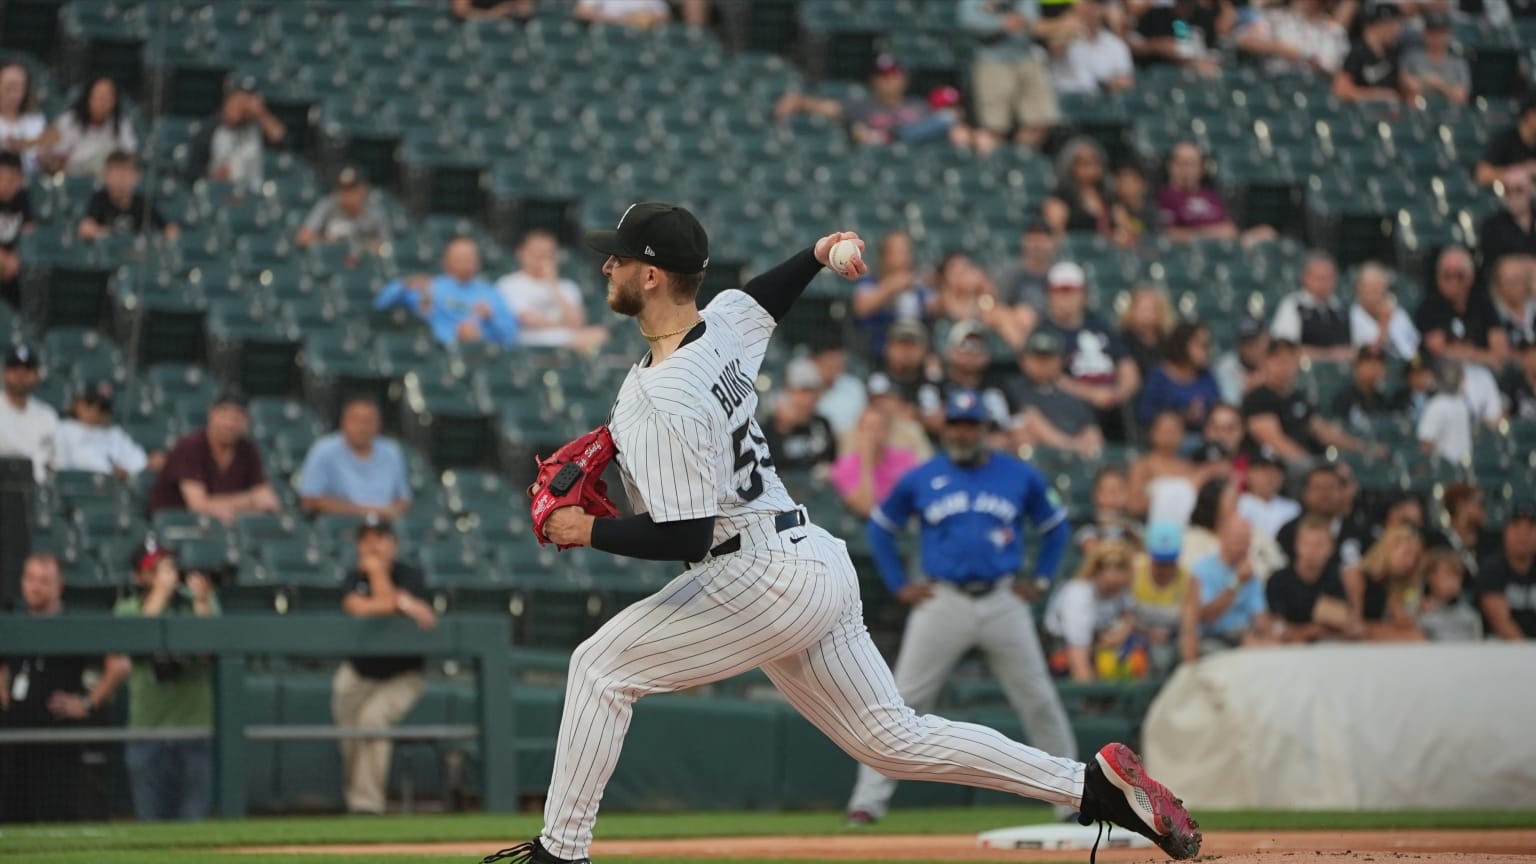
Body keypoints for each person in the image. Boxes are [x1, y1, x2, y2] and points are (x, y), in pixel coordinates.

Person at [492, 204, 1202, 864]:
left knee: (599, 669)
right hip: (810, 560)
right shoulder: (722, 326)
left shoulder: (663, 393)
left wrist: (587, 529)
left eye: (618, 258)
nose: (606, 266)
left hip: (752, 575)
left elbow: (688, 535)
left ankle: (561, 851)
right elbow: (766, 297)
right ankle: (1093, 787)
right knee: (890, 740)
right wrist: (818, 252)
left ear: (651, 276)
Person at [845, 388, 1079, 825]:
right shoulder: (922, 476)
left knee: (1040, 701)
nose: (962, 432)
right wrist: (898, 584)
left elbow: (1056, 527)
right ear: (946, 428)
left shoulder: (1018, 475)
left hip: (1002, 600)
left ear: (985, 429)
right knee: (900, 701)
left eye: (971, 424)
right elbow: (880, 528)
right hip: (943, 602)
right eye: (955, 424)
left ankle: (1072, 799)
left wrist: (1042, 578)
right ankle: (866, 803)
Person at [0, 554, 129, 823]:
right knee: (13, 821)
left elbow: (119, 666)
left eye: (44, 581)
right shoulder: (14, 624)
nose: (35, 587)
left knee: (54, 817)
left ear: (59, 586)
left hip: (57, 742)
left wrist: (87, 703)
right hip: (14, 740)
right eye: (30, 579)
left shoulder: (73, 625)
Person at [333, 516, 437, 815]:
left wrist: (379, 576)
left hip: (402, 675)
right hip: (358, 672)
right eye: (365, 540)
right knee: (349, 733)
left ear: (394, 544)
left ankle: (366, 807)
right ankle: (356, 798)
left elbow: (424, 614)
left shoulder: (411, 576)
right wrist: (400, 603)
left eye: (379, 539)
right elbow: (356, 607)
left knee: (372, 719)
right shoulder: (353, 576)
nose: (372, 546)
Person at [114, 539, 218, 820]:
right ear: (139, 576)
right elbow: (133, 644)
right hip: (147, 730)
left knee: (194, 822)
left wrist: (201, 601)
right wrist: (161, 593)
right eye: (154, 570)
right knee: (151, 824)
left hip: (194, 731)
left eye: (168, 566)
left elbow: (210, 650)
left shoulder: (200, 601)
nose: (165, 573)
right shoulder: (127, 608)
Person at [1036, 261, 1141, 441]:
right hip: (1071, 408)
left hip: (1115, 406)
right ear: (1049, 295)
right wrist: (1092, 394)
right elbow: (1047, 375)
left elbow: (1128, 368)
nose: (1066, 299)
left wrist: (1117, 393)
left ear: (1083, 294)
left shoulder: (1101, 326)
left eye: (1071, 292)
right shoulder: (1045, 331)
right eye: (1060, 292)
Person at [1241, 338, 1378, 468]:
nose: (1284, 365)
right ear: (1265, 362)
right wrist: (1312, 467)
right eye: (1277, 359)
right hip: (1274, 467)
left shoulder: (1298, 397)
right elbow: (1274, 441)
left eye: (1289, 359)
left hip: (1306, 464)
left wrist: (1363, 448)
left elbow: (1322, 431)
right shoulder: (1257, 398)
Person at [774, 56, 963, 149]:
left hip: (915, 157)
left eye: (892, 75)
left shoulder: (918, 105)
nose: (888, 81)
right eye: (882, 76)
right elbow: (829, 108)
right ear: (873, 80)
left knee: (947, 120)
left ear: (904, 79)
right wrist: (799, 101)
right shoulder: (862, 105)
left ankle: (893, 136)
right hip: (879, 157)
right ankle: (892, 137)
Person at [149, 391, 280, 522]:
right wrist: (249, 500)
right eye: (223, 415)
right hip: (178, 525)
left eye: (236, 418)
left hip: (221, 527)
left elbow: (268, 500)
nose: (229, 424)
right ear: (211, 414)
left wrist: (225, 507)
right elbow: (198, 506)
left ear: (246, 421)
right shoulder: (190, 447)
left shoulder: (247, 449)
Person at [957, 0, 1067, 151]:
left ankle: (1020, 158)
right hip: (991, 58)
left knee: (1040, 120)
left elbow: (1031, 18)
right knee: (994, 127)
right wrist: (1001, 23)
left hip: (1026, 56)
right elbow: (967, 19)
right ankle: (998, 163)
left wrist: (1023, 21)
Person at [374, 236, 519, 347]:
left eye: (470, 258)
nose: (466, 263)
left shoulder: (490, 293)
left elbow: (511, 336)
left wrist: (489, 321)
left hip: (482, 354)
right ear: (446, 262)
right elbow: (381, 303)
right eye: (460, 259)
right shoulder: (432, 288)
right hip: (442, 353)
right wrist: (405, 284)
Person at [1179, 516, 1278, 661]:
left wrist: (1269, 632)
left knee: (1274, 648)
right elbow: (1206, 617)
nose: (1242, 547)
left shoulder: (1250, 574)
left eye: (1246, 542)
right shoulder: (1202, 570)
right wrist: (1237, 583)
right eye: (1238, 541)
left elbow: (1259, 615)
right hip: (1212, 637)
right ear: (1223, 538)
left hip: (1243, 635)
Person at [297, 398, 412, 519]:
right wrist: (366, 512)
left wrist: (391, 512)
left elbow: (404, 500)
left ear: (379, 424)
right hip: (342, 524)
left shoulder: (391, 451)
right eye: (356, 421)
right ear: (343, 423)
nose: (362, 428)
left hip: (385, 524)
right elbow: (309, 501)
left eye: (368, 421)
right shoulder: (323, 450)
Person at [495, 229, 609, 351]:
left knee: (601, 334)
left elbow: (577, 321)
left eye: (548, 254)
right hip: (530, 342)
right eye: (537, 252)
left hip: (567, 339)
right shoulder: (509, 283)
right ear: (521, 253)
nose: (543, 258)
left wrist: (552, 284)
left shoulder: (567, 286)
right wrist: (563, 323)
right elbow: (528, 320)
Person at [1044, 541, 1140, 682]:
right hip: (1061, 653)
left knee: (1137, 652)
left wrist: (1120, 634)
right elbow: (1077, 656)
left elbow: (1129, 616)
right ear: (1096, 571)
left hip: (1098, 648)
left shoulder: (1122, 591)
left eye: (1121, 567)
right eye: (1109, 567)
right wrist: (1093, 692)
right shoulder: (1078, 594)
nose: (1116, 577)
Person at [1008, 327, 1104, 456]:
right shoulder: (1011, 389)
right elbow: (1029, 421)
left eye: (1048, 358)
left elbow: (1091, 431)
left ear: (1060, 360)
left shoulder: (1071, 392)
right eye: (1037, 357)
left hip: (1077, 461)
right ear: (1023, 360)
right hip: (1037, 458)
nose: (1042, 364)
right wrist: (1072, 446)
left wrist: (1089, 445)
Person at [1157, 142, 1273, 244]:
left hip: (1226, 245)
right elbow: (1170, 234)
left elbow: (1230, 228)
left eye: (1192, 164)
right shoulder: (1166, 196)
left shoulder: (1210, 195)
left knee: (1266, 232)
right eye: (1182, 163)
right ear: (1171, 166)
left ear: (1201, 168)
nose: (1187, 169)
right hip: (1194, 250)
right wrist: (1211, 235)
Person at [1264, 516, 1355, 642]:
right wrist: (1310, 630)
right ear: (1296, 545)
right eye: (1306, 544)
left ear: (1331, 548)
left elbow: (1346, 621)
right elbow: (1274, 625)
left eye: (1319, 545)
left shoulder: (1336, 579)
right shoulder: (1278, 581)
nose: (1312, 551)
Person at [186, 76, 286, 192]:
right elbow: (192, 174)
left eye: (249, 98)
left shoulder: (258, 125)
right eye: (240, 98)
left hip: (253, 195)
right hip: (218, 193)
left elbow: (283, 143)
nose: (245, 104)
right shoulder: (210, 128)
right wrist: (213, 177)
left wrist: (262, 114)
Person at [917, 321, 1014, 437]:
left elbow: (1006, 429)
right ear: (950, 351)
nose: (972, 352)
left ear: (987, 355)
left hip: (986, 446)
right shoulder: (934, 386)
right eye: (965, 345)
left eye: (979, 346)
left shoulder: (996, 389)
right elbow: (932, 423)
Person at [1416, 245, 1505, 370]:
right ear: (1437, 276)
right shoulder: (1428, 307)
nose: (1453, 281)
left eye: (1460, 275)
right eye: (1447, 275)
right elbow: (1439, 351)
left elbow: (1500, 352)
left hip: (1485, 373)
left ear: (1471, 277)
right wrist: (1479, 354)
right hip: (1445, 375)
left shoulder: (1483, 304)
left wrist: (1467, 353)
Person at [1128, 412, 1221, 526]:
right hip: (1153, 526)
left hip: (1188, 526)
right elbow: (1134, 505)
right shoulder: (1142, 466)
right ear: (1152, 433)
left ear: (1183, 435)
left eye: (1174, 430)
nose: (1169, 435)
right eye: (1165, 430)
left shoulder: (1190, 467)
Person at [850, 230, 933, 358]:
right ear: (884, 256)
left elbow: (934, 306)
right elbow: (861, 307)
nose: (905, 258)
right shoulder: (870, 281)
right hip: (877, 352)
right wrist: (892, 286)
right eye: (899, 252)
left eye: (907, 252)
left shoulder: (918, 282)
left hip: (916, 348)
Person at [828, 407, 918, 519]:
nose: (871, 435)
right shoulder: (843, 466)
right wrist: (866, 462)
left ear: (887, 433)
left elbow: (915, 500)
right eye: (866, 428)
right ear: (858, 433)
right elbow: (865, 508)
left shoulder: (906, 459)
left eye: (877, 429)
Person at [1274, 464, 1369, 569]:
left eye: (1331, 487)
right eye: (1318, 488)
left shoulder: (1359, 531)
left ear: (1341, 493)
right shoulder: (1288, 532)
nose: (1325, 494)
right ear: (1305, 493)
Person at [54, 379, 152, 478]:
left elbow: (140, 460)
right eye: (90, 402)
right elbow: (61, 468)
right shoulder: (61, 429)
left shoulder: (114, 433)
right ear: (78, 403)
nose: (95, 409)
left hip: (110, 485)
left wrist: (126, 471)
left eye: (103, 407)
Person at [1130, 520, 1191, 673]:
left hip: (1173, 641)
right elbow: (1124, 616)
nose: (1164, 568)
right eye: (1159, 561)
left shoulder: (1188, 580)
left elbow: (1189, 625)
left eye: (1169, 561)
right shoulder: (1134, 571)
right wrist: (1146, 634)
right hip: (1137, 637)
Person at [1347, 524, 1425, 641]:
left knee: (1415, 635)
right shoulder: (1356, 575)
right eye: (1406, 554)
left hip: (1371, 635)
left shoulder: (1391, 583)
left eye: (1415, 558)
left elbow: (1403, 620)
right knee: (1413, 637)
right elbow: (1354, 625)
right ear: (1389, 548)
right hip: (1348, 638)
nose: (1410, 562)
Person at [1269, 252, 1352, 363]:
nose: (1324, 284)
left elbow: (1356, 350)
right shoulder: (1293, 305)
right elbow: (1284, 350)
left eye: (1329, 278)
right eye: (1319, 278)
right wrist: (1330, 355)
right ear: (1305, 278)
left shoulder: (1341, 309)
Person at [45, 76, 136, 176]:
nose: (103, 102)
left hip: (107, 181)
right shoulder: (68, 122)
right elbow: (57, 161)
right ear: (88, 97)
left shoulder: (121, 124)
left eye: (107, 97)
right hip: (73, 178)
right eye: (99, 97)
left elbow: (129, 158)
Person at [1137, 320, 1221, 429]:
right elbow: (1145, 415)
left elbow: (1218, 408)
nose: (1206, 351)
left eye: (1208, 346)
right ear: (1183, 344)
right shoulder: (1159, 377)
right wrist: (1181, 416)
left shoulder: (1207, 376)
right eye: (1202, 345)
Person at [77, 150, 177, 241]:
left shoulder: (143, 204)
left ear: (135, 177)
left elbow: (170, 230)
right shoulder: (99, 199)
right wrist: (110, 234)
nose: (117, 181)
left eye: (122, 175)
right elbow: (86, 229)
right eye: (113, 175)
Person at [294, 165, 390, 257]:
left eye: (352, 189)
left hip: (364, 263)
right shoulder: (328, 205)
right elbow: (302, 238)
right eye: (343, 190)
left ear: (363, 189)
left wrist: (363, 246)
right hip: (331, 261)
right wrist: (329, 243)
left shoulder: (373, 210)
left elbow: (386, 246)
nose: (348, 195)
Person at [1235, 0, 1348, 76]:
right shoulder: (1275, 18)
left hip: (1315, 90)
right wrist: (1279, 48)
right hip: (1276, 83)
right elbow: (1243, 40)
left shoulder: (1333, 31)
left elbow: (1337, 71)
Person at [762, 357, 837, 472]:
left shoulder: (822, 424)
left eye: (812, 391)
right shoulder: (769, 428)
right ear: (788, 391)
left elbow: (833, 461)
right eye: (802, 391)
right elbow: (768, 466)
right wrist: (782, 428)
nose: (807, 399)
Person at [1333, 2, 1415, 106]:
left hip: (1390, 111)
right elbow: (1340, 90)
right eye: (1395, 23)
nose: (1398, 30)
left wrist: (1409, 90)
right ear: (1381, 24)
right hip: (1361, 113)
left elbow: (1405, 85)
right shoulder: (1357, 51)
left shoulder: (1391, 52)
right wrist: (1375, 95)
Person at [1477, 503, 1536, 640]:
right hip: (1501, 646)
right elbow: (1501, 623)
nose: (1523, 535)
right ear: (1505, 531)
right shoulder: (1492, 569)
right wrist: (1526, 651)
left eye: (1530, 528)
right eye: (1516, 526)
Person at [1051, 0, 1135, 95]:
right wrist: (1070, 24)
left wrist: (1108, 84)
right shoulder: (1067, 37)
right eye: (1088, 5)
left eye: (1096, 5)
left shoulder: (1115, 44)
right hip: (1069, 97)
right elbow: (1055, 50)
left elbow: (1127, 81)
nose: (1092, 10)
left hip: (1101, 97)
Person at [0, 344, 57, 483]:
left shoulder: (47, 415)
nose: (21, 376)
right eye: (15, 369)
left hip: (37, 489)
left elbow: (55, 463)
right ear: (4, 373)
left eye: (27, 370)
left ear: (37, 376)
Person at [1349, 262, 1419, 361]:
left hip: (1406, 366)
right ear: (1358, 288)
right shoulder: (1350, 317)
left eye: (1379, 288)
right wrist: (1384, 324)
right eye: (1370, 288)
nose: (1375, 293)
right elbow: (1368, 357)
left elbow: (1413, 347)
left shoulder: (1398, 313)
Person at [1043, 137, 1113, 237]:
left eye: (1094, 161)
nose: (1090, 167)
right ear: (1071, 166)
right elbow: (1056, 234)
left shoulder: (1108, 196)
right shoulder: (1061, 197)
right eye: (1083, 162)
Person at [1330, 344, 1408, 434]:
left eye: (1379, 363)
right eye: (1370, 363)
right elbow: (1337, 431)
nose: (1375, 368)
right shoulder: (1344, 398)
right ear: (1358, 365)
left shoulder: (1383, 400)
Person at [1073, 466, 1144, 554]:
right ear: (1096, 494)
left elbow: (1141, 552)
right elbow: (1092, 551)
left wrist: (1128, 530)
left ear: (1126, 494)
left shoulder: (1134, 525)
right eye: (1105, 491)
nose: (1111, 496)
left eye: (1117, 490)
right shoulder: (1087, 524)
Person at [1402, 11, 1468, 105]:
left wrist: (1437, 84)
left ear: (1448, 34)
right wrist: (1448, 88)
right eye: (1432, 33)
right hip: (1420, 109)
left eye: (1441, 33)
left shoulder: (1458, 62)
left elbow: (1461, 96)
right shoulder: (1412, 57)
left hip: (1449, 110)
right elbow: (1409, 87)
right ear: (1424, 33)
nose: (1437, 37)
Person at [1415, 548, 1482, 641]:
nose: (1453, 581)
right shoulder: (1417, 613)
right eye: (1447, 575)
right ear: (1430, 576)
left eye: (1457, 575)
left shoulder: (1471, 615)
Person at [1417, 359, 1474, 464]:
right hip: (1451, 465)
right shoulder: (1460, 402)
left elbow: (1426, 443)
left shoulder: (1439, 404)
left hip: (1452, 466)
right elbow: (1426, 443)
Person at [1479, 168, 1536, 272]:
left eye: (1519, 190)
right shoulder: (1492, 226)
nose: (1513, 195)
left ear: (1530, 190)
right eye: (1508, 190)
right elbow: (1492, 266)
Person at [0, 62, 51, 175]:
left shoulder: (36, 121)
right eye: (8, 87)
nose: (13, 94)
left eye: (18, 87)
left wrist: (45, 158)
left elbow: (44, 163)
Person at [1475, 94, 1536, 188]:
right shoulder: (1505, 140)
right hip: (1505, 194)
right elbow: (1482, 174)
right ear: (1529, 114)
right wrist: (1519, 172)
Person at [1235, 452, 1299, 539]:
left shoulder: (1293, 507)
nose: (1270, 476)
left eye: (1276, 471)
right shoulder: (1237, 504)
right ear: (1248, 474)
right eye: (1264, 471)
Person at [810, 344, 867, 437]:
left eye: (838, 365)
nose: (834, 369)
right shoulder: (801, 388)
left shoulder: (855, 386)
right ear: (815, 361)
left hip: (849, 440)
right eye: (829, 364)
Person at [1119, 287, 1175, 381]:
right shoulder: (1121, 341)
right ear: (1131, 311)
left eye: (1151, 309)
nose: (1146, 315)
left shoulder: (1170, 342)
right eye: (1142, 309)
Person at [0, 152, 34, 307]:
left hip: (14, 265)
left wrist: (17, 256)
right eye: (2, 179)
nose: (6, 185)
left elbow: (29, 231)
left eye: (12, 180)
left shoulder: (22, 198)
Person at [1439, 481, 1490, 580]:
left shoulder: (1489, 542)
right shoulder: (1438, 542)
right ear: (1461, 505)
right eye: (1480, 504)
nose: (1484, 510)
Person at [1213, 317, 1267, 405]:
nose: (1249, 349)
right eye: (1244, 343)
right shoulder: (1226, 365)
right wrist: (1246, 386)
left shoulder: (1273, 359)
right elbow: (1230, 403)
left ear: (1264, 341)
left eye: (1254, 342)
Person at [1489, 255, 1535, 354]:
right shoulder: (1492, 314)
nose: (1513, 286)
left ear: (1527, 281)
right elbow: (1500, 354)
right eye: (1507, 281)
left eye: (1517, 279)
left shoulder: (1533, 308)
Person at [1503, 340, 1536, 420]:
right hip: (1520, 426)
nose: (1532, 360)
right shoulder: (1513, 382)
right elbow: (1504, 411)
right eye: (1528, 355)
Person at [573, 0, 670, 28]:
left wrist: (648, 19)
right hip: (608, 38)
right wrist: (622, 20)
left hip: (641, 41)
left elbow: (665, 16)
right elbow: (581, 11)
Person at [453, 0, 536, 21]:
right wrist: (492, 14)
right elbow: (460, 10)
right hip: (475, 29)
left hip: (507, 28)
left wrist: (509, 9)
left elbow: (525, 8)